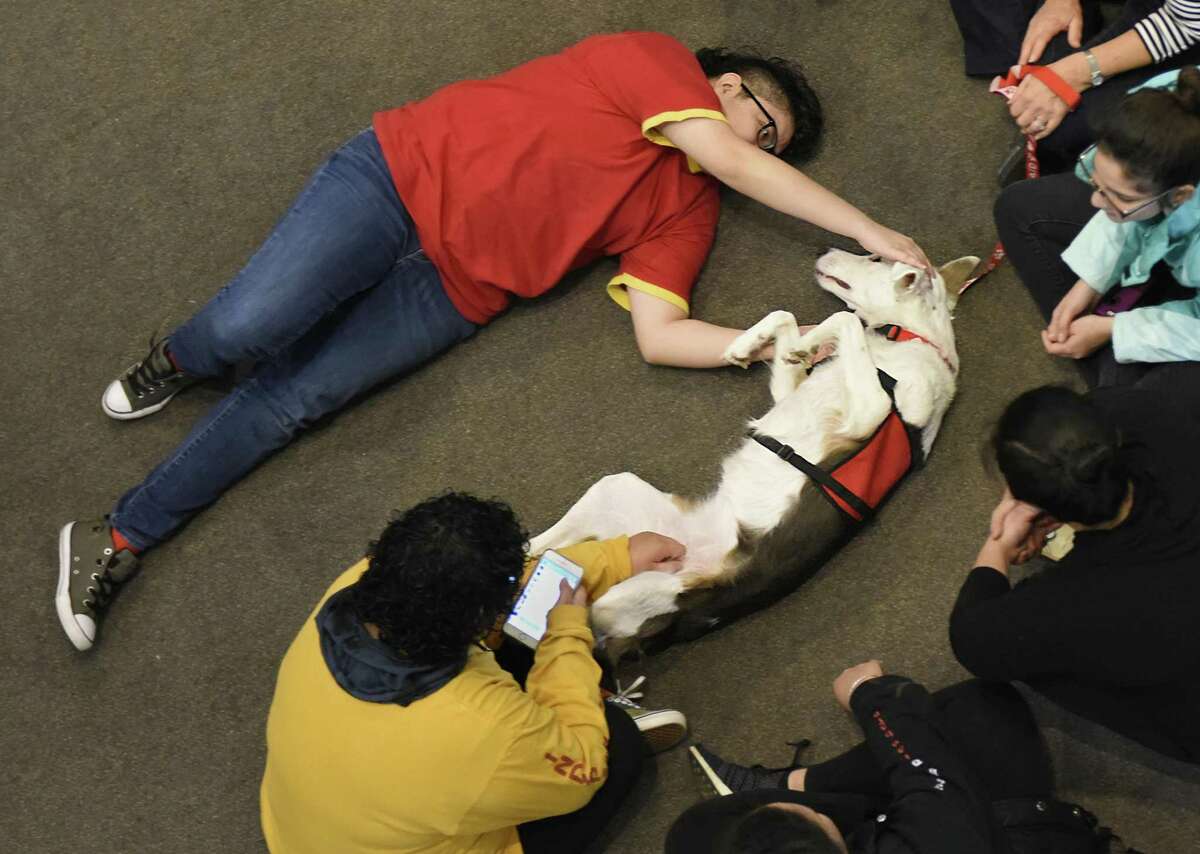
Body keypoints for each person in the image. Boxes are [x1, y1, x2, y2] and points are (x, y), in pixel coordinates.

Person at [56, 31, 932, 652]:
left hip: (455, 290)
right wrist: (870, 231)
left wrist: (766, 344)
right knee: (246, 328)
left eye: (773, 141)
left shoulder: (689, 206)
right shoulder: (655, 60)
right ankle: (178, 359)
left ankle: (124, 535)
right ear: (720, 83)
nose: (754, 139)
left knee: (295, 399)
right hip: (396, 178)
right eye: (754, 113)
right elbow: (734, 157)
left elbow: (660, 334)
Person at [260, 492, 689, 854]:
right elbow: (583, 769)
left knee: (522, 631)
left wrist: (614, 558)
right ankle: (596, 709)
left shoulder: (356, 583)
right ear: (479, 617)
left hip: (303, 831)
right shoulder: (482, 725)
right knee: (617, 744)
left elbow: (502, 587)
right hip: (445, 793)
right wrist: (567, 631)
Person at [950, 384, 1200, 764]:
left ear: (1044, 510)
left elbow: (971, 639)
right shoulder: (1164, 405)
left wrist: (999, 543)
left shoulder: (1076, 602)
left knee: (1035, 652)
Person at [670, 664, 1133, 853]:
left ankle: (797, 784)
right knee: (977, 709)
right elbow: (924, 767)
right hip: (1008, 835)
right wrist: (869, 695)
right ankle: (801, 785)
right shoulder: (932, 840)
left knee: (695, 834)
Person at [993, 65, 1200, 389]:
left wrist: (1115, 330)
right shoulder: (1165, 100)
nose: (1095, 201)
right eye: (1098, 183)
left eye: (1119, 196)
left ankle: (1110, 372)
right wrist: (1090, 283)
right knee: (1017, 207)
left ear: (1180, 195)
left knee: (1129, 387)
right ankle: (1104, 357)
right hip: (1169, 227)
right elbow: (1132, 202)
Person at [951, 0, 1200, 172]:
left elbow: (1183, 24)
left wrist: (1076, 72)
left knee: (1059, 133)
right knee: (1041, 98)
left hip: (1183, 22)